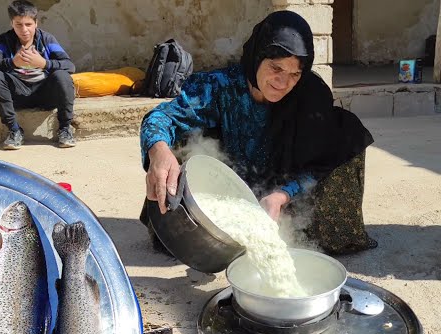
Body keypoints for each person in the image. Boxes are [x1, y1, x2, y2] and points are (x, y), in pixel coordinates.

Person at [141, 10, 375, 255]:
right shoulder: (221, 87)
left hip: (280, 193)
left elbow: (321, 161)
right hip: (224, 188)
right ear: (258, 55)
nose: (283, 83)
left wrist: (283, 195)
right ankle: (181, 227)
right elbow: (160, 118)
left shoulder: (307, 96)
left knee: (347, 135)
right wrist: (158, 151)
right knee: (174, 137)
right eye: (276, 67)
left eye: (294, 74)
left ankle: (326, 233)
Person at [0, 1, 77, 150]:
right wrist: (12, 62)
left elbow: (69, 65)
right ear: (12, 23)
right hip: (16, 94)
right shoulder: (3, 40)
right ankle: (14, 130)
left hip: (44, 93)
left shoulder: (47, 39)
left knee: (62, 76)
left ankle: (65, 129)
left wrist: (44, 63)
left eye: (28, 24)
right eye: (18, 24)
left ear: (36, 23)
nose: (24, 30)